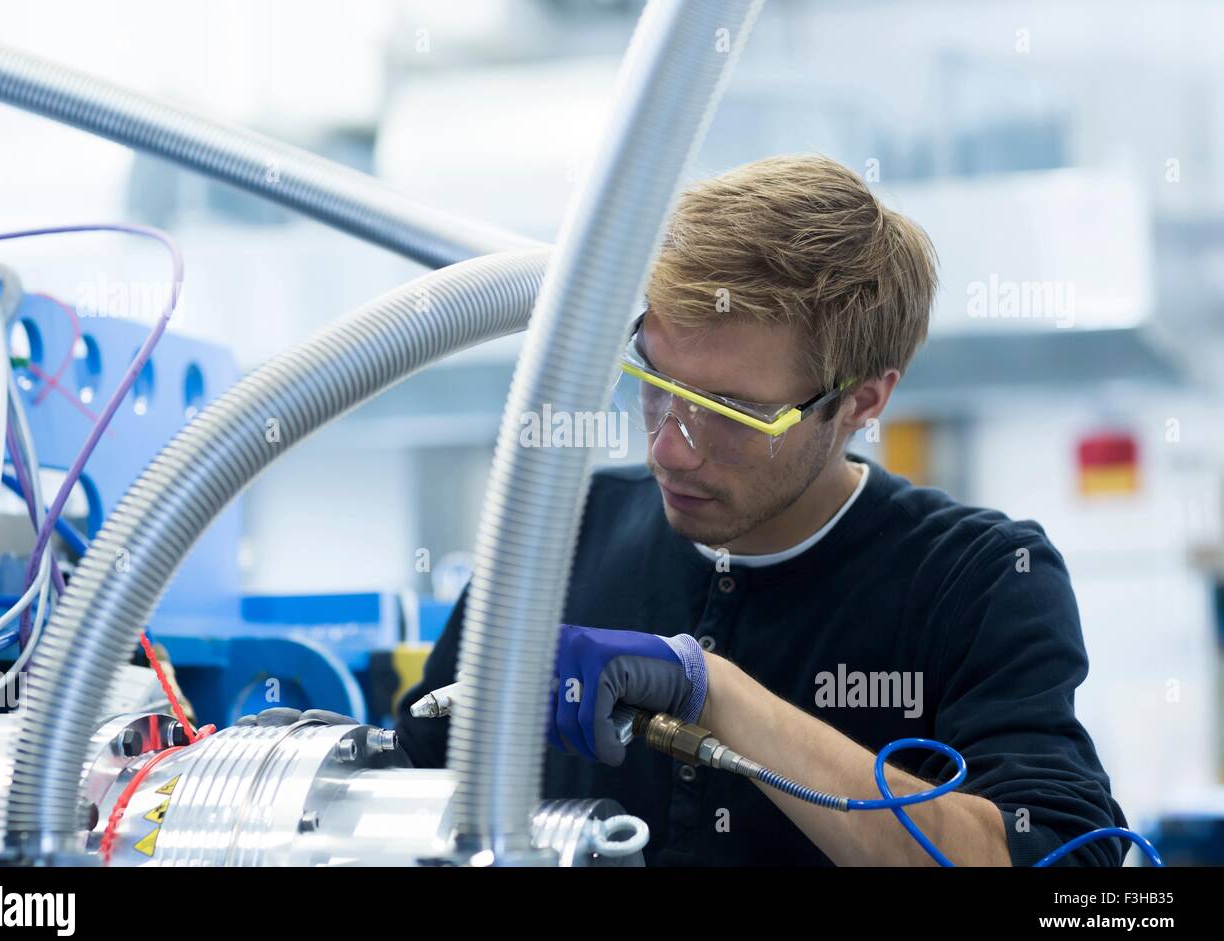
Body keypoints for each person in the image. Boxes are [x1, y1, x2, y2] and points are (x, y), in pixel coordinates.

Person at [394, 154, 1127, 866]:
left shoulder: (981, 580)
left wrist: (714, 690)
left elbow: (1052, 866)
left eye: (732, 411)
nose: (669, 450)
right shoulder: (559, 532)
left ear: (862, 402)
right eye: (653, 381)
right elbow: (408, 795)